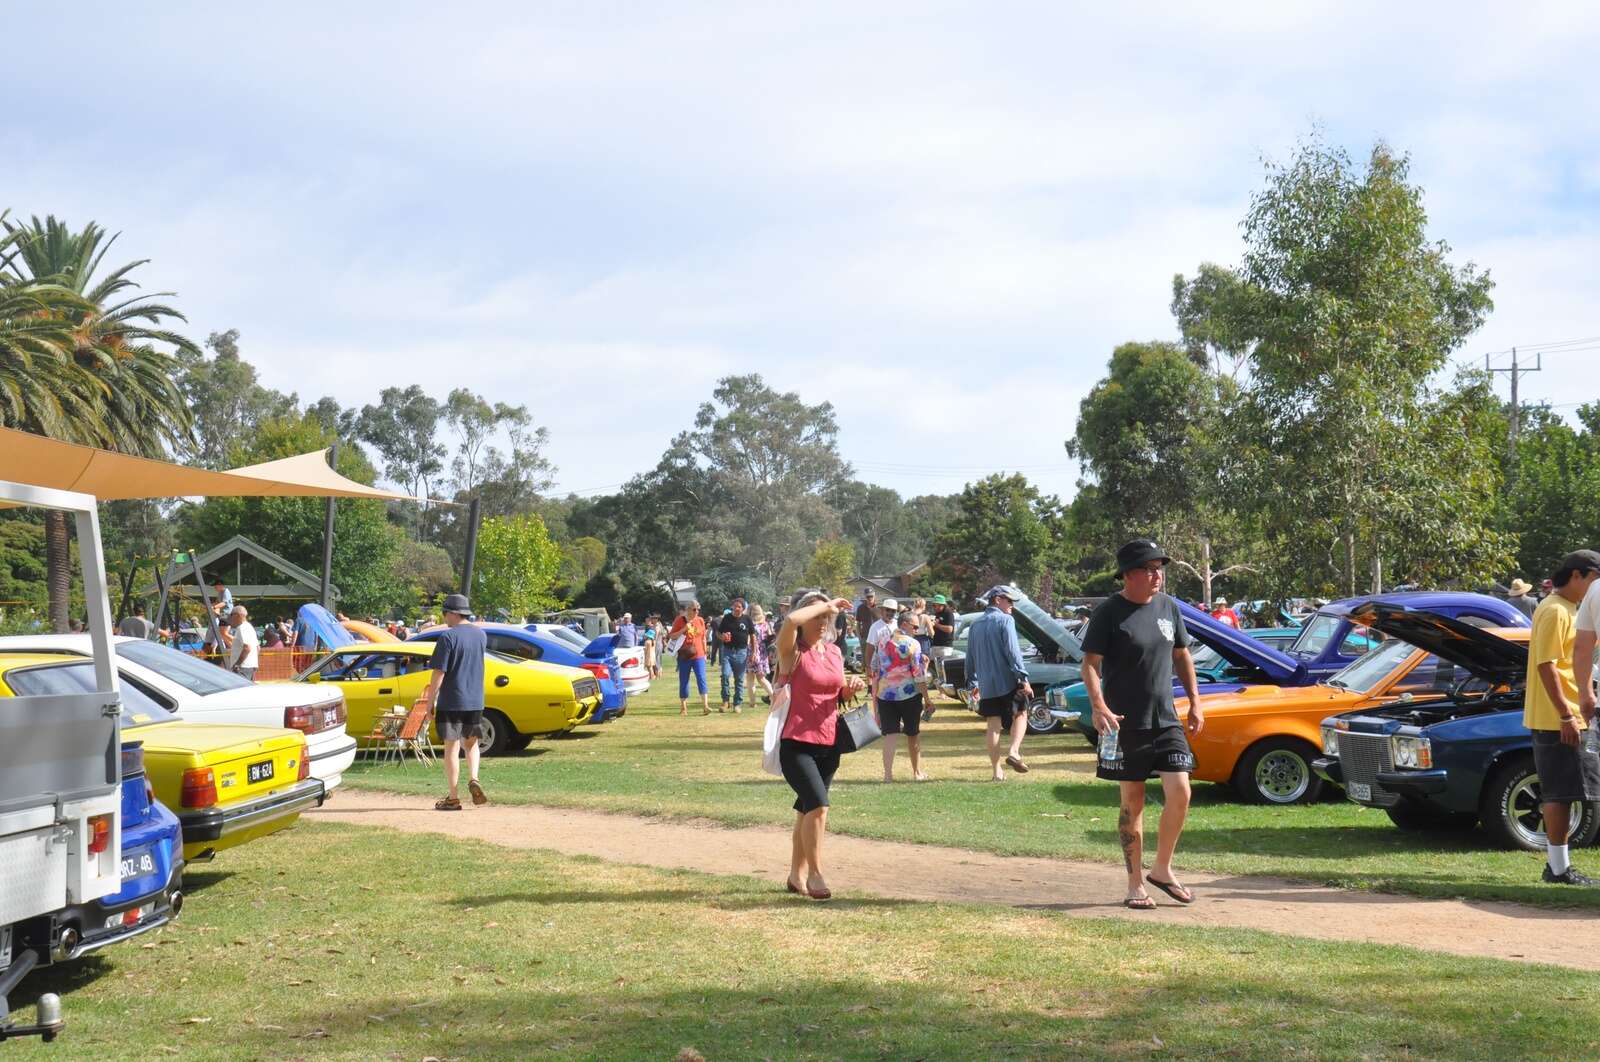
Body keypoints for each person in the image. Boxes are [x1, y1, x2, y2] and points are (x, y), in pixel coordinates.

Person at [1082, 538, 1203, 911]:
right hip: (1123, 723)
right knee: (1132, 803)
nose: (1157, 576)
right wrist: (1099, 706)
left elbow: (1182, 655)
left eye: (1159, 569)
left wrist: (1195, 702)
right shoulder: (1109, 613)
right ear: (1128, 574)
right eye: (1149, 569)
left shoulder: (1168, 607)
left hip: (1166, 719)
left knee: (1181, 792)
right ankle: (1135, 884)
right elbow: (1090, 664)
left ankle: (1162, 869)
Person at [776, 589, 867, 900]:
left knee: (807, 810)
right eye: (817, 616)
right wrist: (825, 604)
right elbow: (791, 620)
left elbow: (835, 693)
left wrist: (849, 689)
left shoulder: (834, 653)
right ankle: (816, 874)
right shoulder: (791, 651)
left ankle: (795, 875)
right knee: (818, 806)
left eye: (826, 617)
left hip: (829, 742)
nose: (822, 622)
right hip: (796, 742)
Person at [1523, 550, 1600, 885]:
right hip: (1558, 718)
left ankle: (1559, 867)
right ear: (1577, 575)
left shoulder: (1572, 609)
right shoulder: (1555, 609)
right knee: (1559, 794)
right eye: (1595, 579)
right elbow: (1547, 665)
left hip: (1570, 715)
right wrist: (1566, 714)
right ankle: (1557, 869)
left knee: (1570, 793)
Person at [417, 593, 489, 811]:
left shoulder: (448, 637)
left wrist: (429, 702)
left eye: (445, 613)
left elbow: (439, 672)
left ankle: (454, 797)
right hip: (475, 699)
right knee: (472, 743)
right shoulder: (481, 635)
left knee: (452, 747)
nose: (444, 617)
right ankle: (474, 778)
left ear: (452, 613)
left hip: (452, 700)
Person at [967, 585, 1034, 780]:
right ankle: (1014, 752)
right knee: (1021, 713)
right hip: (1008, 680)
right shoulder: (1006, 620)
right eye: (1010, 601)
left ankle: (997, 772)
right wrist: (1023, 679)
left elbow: (970, 656)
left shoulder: (975, 625)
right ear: (997, 600)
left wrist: (972, 682)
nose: (1012, 605)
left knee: (993, 725)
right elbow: (1013, 652)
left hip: (986, 684)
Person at [872, 609, 930, 782]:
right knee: (913, 734)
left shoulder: (882, 641)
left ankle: (887, 775)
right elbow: (918, 675)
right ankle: (917, 772)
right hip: (909, 695)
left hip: (885, 695)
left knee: (890, 735)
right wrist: (927, 699)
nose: (917, 630)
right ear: (905, 624)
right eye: (915, 627)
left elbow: (876, 668)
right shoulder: (913, 644)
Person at [668, 602, 711, 716]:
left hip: (699, 655)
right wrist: (684, 629)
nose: (697, 612)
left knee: (701, 678)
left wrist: (705, 652)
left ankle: (705, 706)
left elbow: (703, 637)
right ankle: (683, 707)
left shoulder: (700, 620)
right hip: (684, 655)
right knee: (684, 680)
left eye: (698, 609)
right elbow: (672, 636)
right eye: (694, 609)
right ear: (688, 609)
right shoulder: (680, 620)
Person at [717, 597, 756, 713]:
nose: (736, 608)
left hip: (741, 652)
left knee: (739, 679)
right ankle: (725, 701)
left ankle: (737, 704)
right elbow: (718, 632)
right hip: (727, 651)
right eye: (735, 606)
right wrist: (722, 637)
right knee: (725, 675)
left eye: (739, 606)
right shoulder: (727, 618)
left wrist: (753, 652)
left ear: (743, 608)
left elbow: (753, 636)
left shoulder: (747, 619)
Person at [749, 603, 776, 703]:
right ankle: (774, 696)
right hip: (762, 652)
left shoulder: (750, 624)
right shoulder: (765, 624)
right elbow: (770, 637)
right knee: (762, 678)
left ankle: (752, 702)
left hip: (751, 650)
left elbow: (749, 640)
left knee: (750, 678)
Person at [224, 605, 260, 681]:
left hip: (242, 668)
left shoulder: (242, 628)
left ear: (237, 615)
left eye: (231, 615)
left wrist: (237, 664)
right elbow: (258, 648)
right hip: (249, 667)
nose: (230, 618)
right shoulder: (249, 627)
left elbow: (247, 648)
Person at [854, 590, 879, 674]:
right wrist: (859, 636)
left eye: (871, 596)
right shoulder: (860, 608)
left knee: (878, 659)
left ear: (874, 596)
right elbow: (857, 623)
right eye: (868, 597)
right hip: (865, 637)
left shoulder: (880, 608)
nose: (870, 598)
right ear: (865, 597)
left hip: (878, 638)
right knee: (866, 660)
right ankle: (868, 679)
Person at [641, 615, 659, 679]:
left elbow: (647, 636)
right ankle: (653, 675)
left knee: (649, 663)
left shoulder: (650, 627)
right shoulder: (650, 627)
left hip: (649, 643)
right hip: (651, 643)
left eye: (648, 620)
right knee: (650, 662)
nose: (646, 621)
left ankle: (652, 676)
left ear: (650, 620)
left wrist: (644, 637)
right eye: (646, 620)